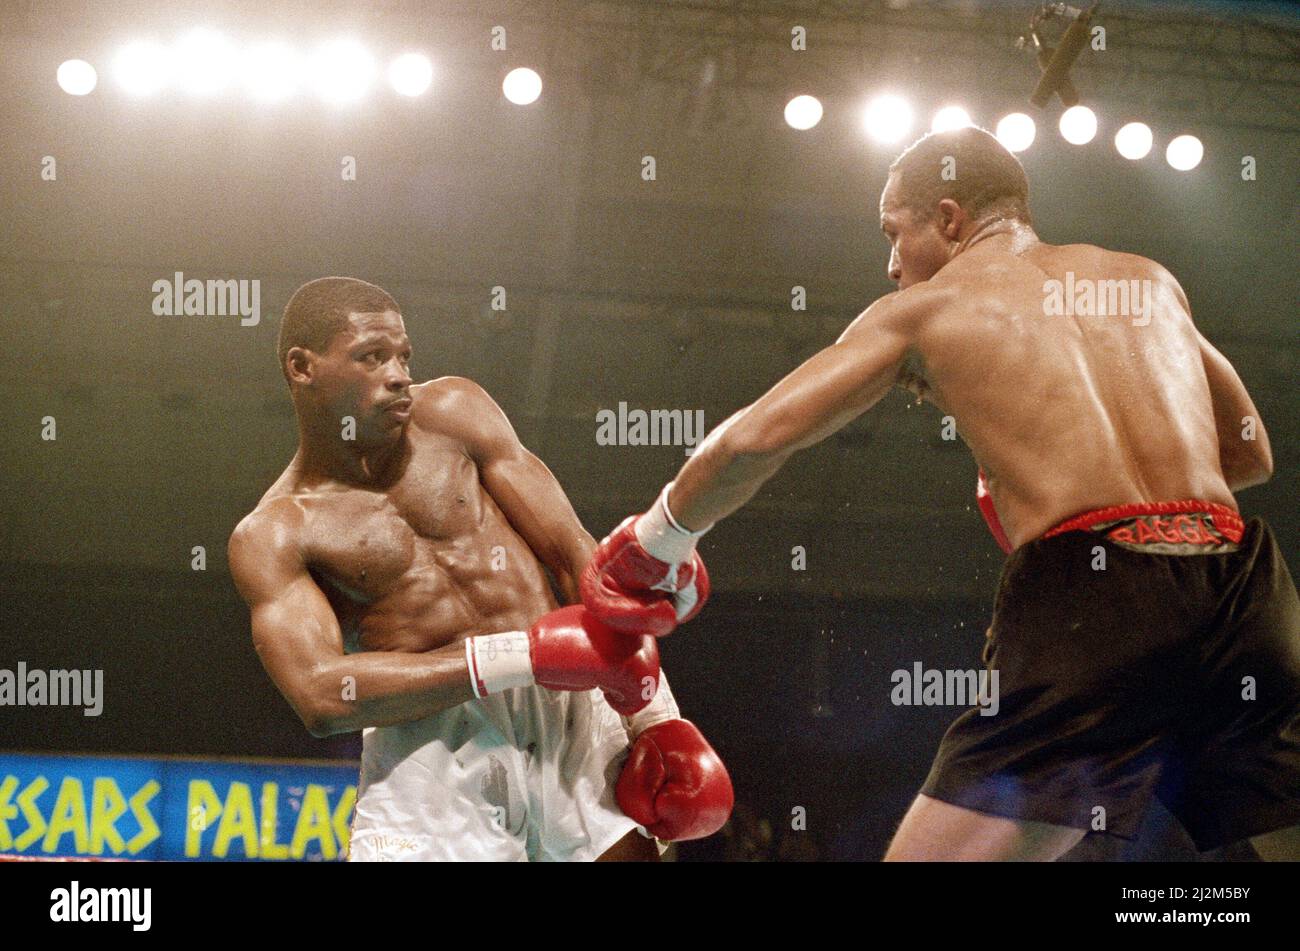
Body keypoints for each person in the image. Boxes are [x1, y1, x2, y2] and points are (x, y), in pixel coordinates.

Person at [579, 127, 1300, 861]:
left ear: (950, 219)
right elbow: (1249, 450)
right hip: (1243, 576)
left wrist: (657, 538)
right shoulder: (1147, 279)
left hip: (1095, 595)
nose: (892, 265)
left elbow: (752, 440)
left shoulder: (926, 310)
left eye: (896, 234)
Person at [229, 276, 732, 862]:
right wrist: (526, 654)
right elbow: (321, 695)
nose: (398, 375)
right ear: (301, 367)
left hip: (568, 710)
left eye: (403, 355)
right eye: (371, 356)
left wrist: (653, 717)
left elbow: (577, 558)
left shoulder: (454, 413)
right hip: (434, 743)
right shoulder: (276, 531)